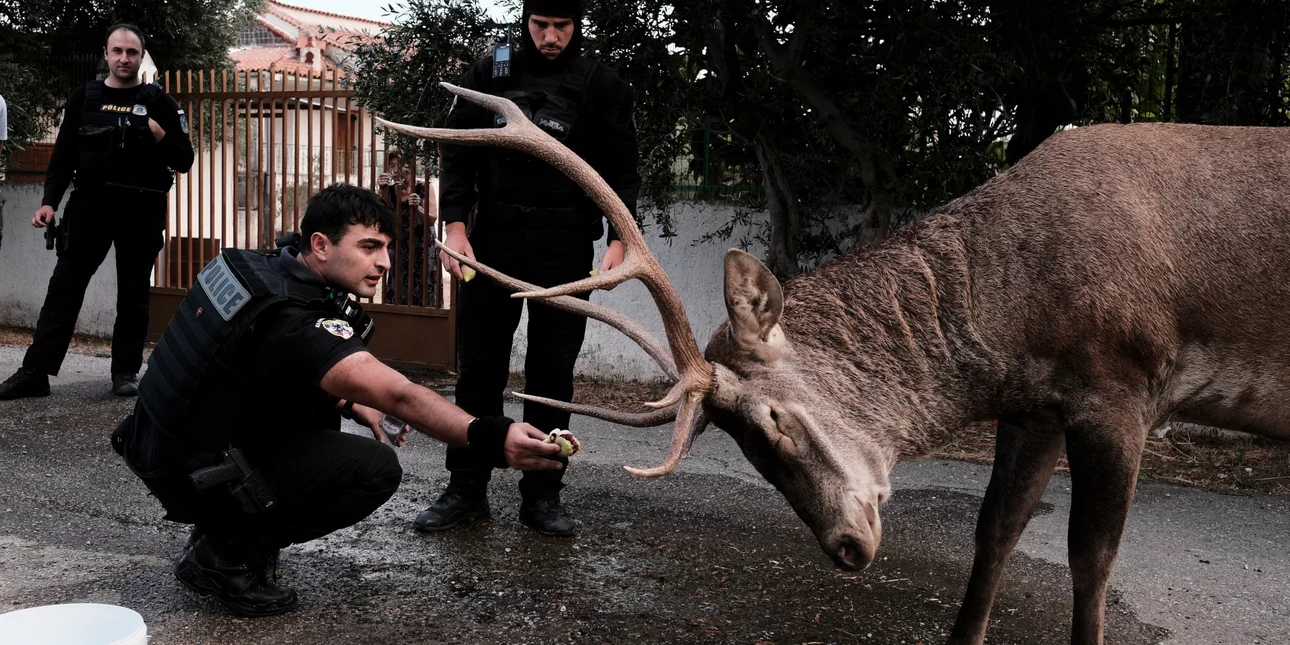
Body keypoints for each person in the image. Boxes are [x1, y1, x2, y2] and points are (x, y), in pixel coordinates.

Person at [111, 183, 563, 617]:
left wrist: (350, 404)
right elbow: (400, 395)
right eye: (369, 247)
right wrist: (491, 437)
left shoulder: (258, 267)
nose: (385, 262)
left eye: (387, 248)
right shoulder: (292, 318)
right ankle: (222, 554)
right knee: (373, 470)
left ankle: (221, 528)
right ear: (321, 245)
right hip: (189, 470)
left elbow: (259, 375)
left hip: (158, 442)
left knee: (324, 417)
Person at [417, 0, 640, 538]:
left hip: (565, 242)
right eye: (541, 25)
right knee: (479, 366)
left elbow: (622, 167)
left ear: (576, 26)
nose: (551, 37)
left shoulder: (601, 83)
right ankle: (466, 489)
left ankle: (542, 495)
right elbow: (458, 151)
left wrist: (621, 238)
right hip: (492, 238)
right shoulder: (490, 72)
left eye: (562, 26)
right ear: (526, 22)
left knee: (552, 373)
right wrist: (455, 226)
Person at [0, 24, 194, 400]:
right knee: (64, 288)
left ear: (141, 56)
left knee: (134, 293)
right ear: (105, 54)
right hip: (90, 207)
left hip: (142, 208)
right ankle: (36, 372)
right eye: (117, 51)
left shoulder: (162, 103)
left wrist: (158, 133)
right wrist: (49, 202)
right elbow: (63, 156)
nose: (124, 58)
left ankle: (125, 372)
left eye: (132, 52)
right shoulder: (84, 98)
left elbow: (185, 159)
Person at [379, 150, 435, 306]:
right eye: (392, 165)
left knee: (425, 289)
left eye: (400, 165)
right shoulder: (389, 190)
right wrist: (381, 189)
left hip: (422, 248)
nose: (396, 169)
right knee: (398, 290)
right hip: (399, 248)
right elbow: (379, 217)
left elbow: (432, 219)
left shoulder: (424, 187)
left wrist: (418, 208)